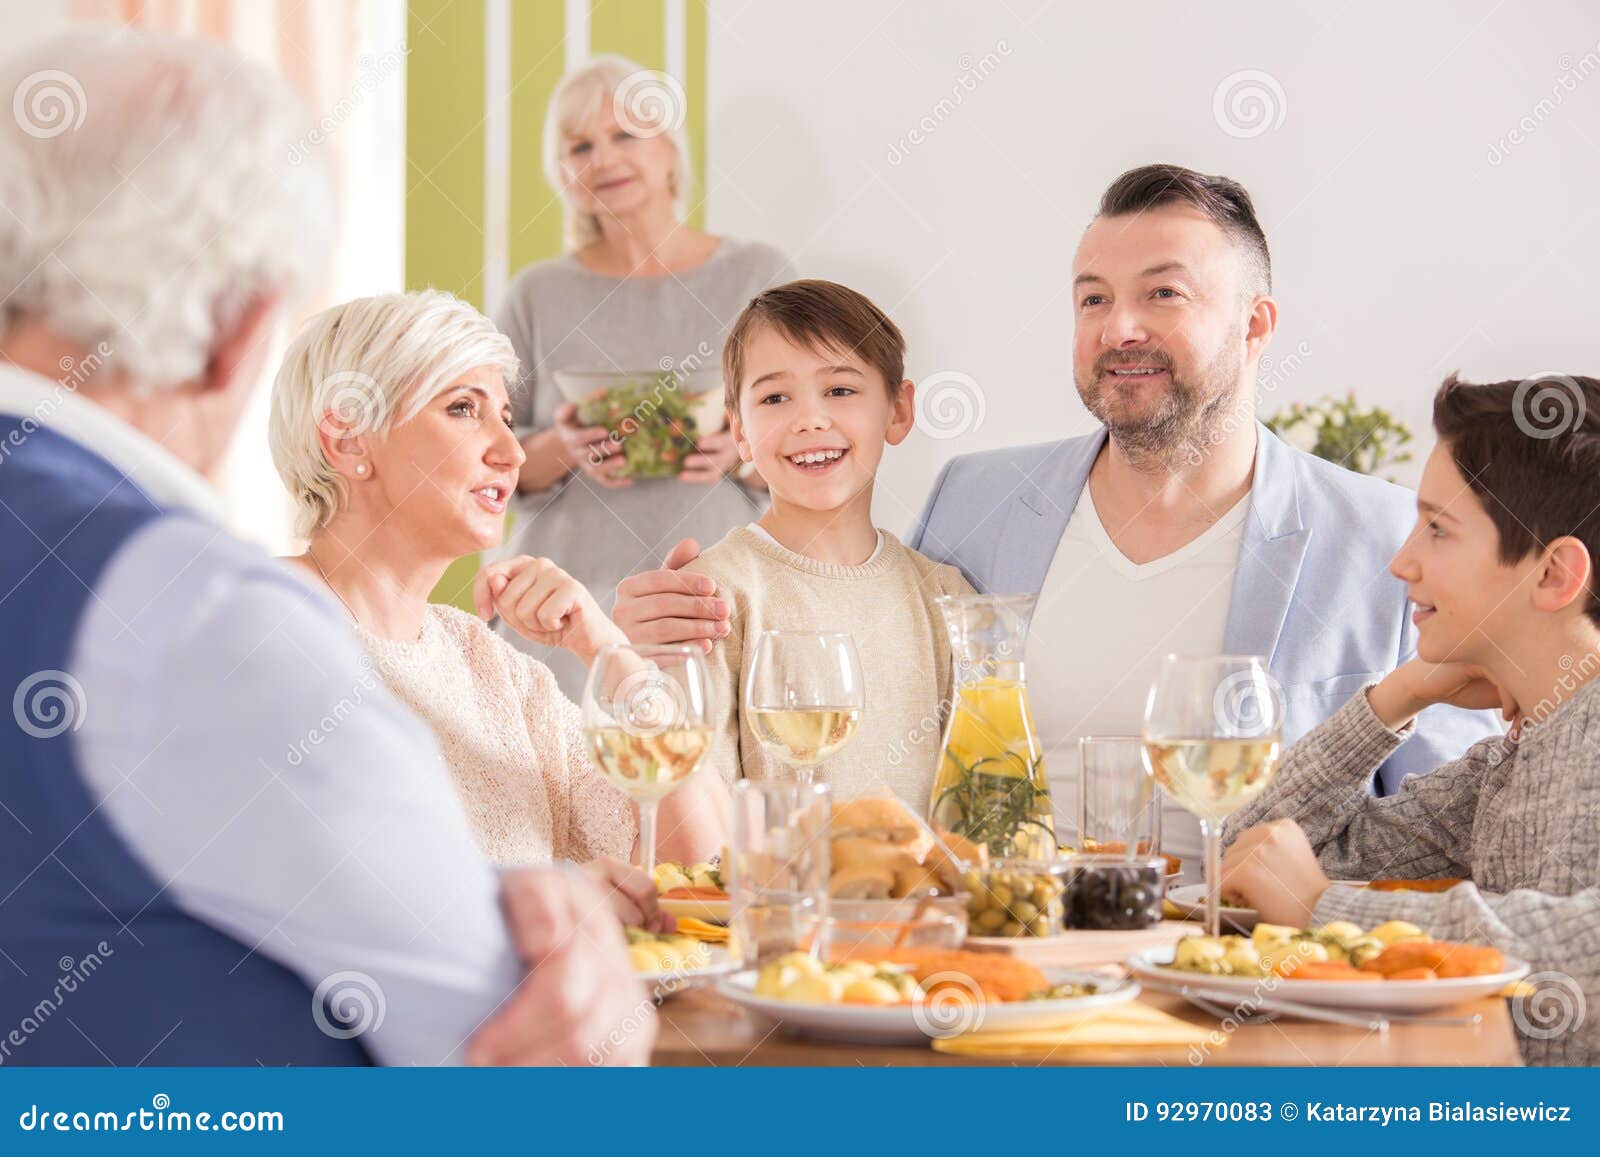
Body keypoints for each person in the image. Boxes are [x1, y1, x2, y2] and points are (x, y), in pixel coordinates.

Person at [0, 27, 650, 1066]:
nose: (497, 446)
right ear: (241, 327)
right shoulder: (191, 605)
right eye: (460, 407)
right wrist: (579, 961)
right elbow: (530, 1045)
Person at [613, 164, 1499, 879]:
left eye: (1164, 295)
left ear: (1256, 325)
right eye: (1092, 298)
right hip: (1006, 980)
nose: (1120, 328)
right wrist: (658, 642)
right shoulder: (976, 503)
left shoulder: (1383, 539)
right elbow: (850, 639)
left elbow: (1453, 830)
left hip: (1264, 997)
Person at [269, 290, 726, 868]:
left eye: (506, 419)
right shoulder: (264, 622)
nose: (511, 451)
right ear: (348, 439)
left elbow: (692, 864)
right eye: (463, 408)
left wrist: (608, 650)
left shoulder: (496, 672)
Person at [1219, 373, 1600, 1066]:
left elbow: (1590, 960)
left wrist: (1326, 909)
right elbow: (1254, 856)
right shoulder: (1507, 762)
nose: (1402, 562)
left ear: (1551, 575)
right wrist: (1396, 695)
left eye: (1438, 529)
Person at [494, 54, 792, 697]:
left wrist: (741, 454)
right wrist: (561, 446)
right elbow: (488, 458)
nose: (604, 158)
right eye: (581, 145)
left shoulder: (757, 275)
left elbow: (810, 433)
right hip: (564, 611)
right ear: (564, 173)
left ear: (669, 153)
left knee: (706, 789)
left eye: (625, 134)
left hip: (713, 596)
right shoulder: (536, 293)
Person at [679, 280, 972, 807]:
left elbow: (979, 804)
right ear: (739, 431)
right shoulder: (712, 597)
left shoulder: (945, 597)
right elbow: (700, 820)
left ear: (899, 411)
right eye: (774, 397)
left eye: (840, 390)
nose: (809, 419)